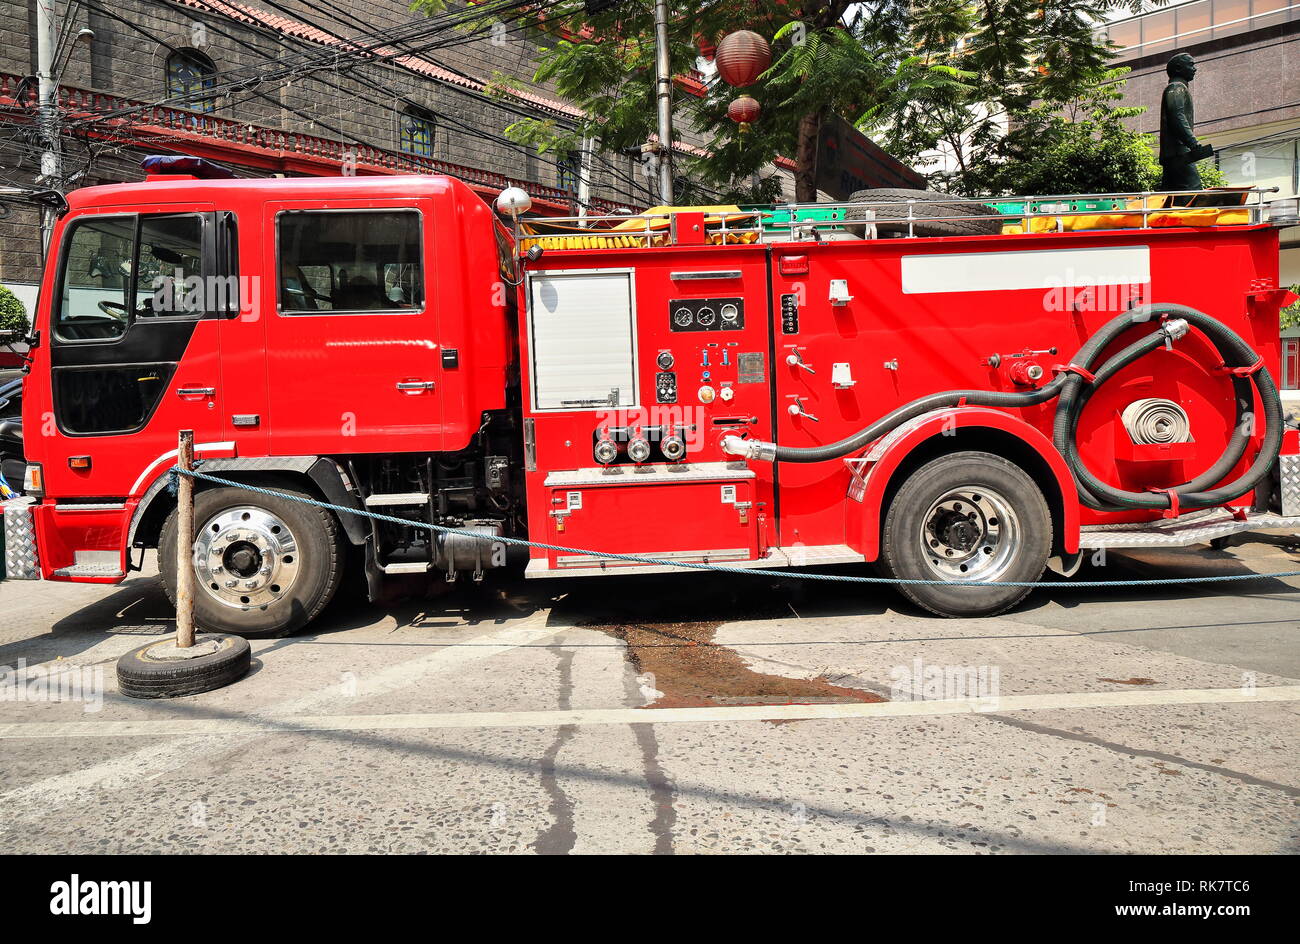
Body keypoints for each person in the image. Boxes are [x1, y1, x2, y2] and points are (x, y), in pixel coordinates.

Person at [1159, 53, 1214, 196]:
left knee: (1169, 198)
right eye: (1191, 64)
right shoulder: (1176, 88)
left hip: (1173, 154)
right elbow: (1177, 116)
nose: (1194, 69)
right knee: (1192, 191)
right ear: (1178, 68)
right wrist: (1193, 143)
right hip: (1178, 154)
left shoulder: (1176, 88)